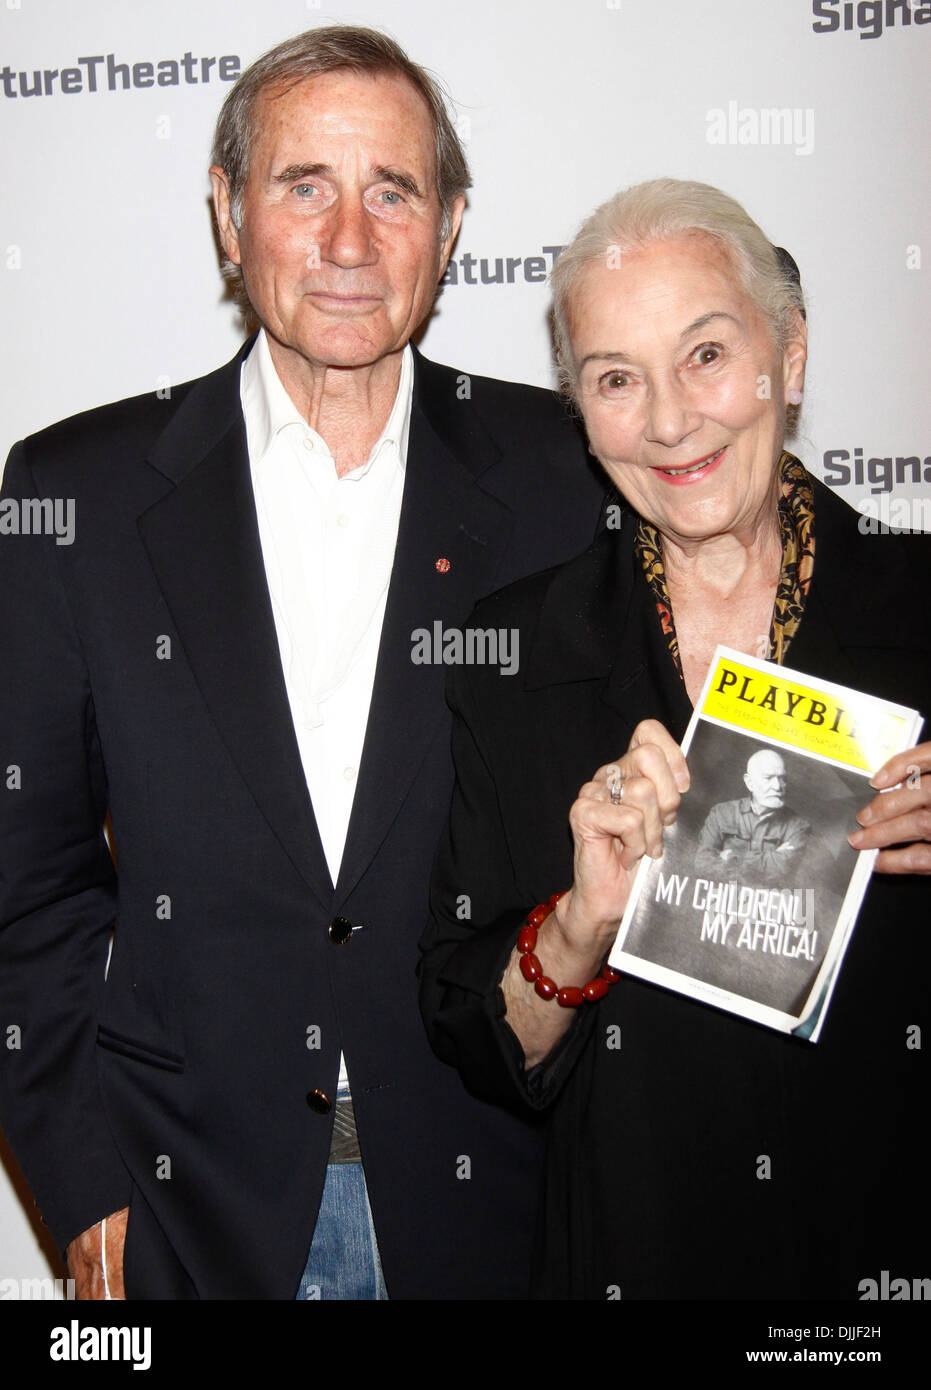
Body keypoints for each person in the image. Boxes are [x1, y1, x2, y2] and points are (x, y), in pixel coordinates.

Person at [0, 26, 605, 1300]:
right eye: (302, 186)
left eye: (392, 191)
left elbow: (757, 572)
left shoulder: (567, 473)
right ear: (227, 216)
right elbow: (27, 891)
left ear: (448, 229)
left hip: (502, 1185)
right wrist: (79, 1174)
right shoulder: (73, 496)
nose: (347, 242)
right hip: (181, 1202)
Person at [420, 178, 931, 1299]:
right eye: (616, 379)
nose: (666, 420)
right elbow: (466, 1021)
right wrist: (580, 925)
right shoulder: (510, 654)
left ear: (787, 357)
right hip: (636, 1257)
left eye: (705, 354)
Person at [694, 748, 810, 883]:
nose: (778, 786)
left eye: (782, 778)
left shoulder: (798, 826)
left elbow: (782, 871)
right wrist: (771, 857)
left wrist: (731, 858)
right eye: (768, 778)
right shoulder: (721, 813)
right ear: (750, 783)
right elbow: (702, 866)